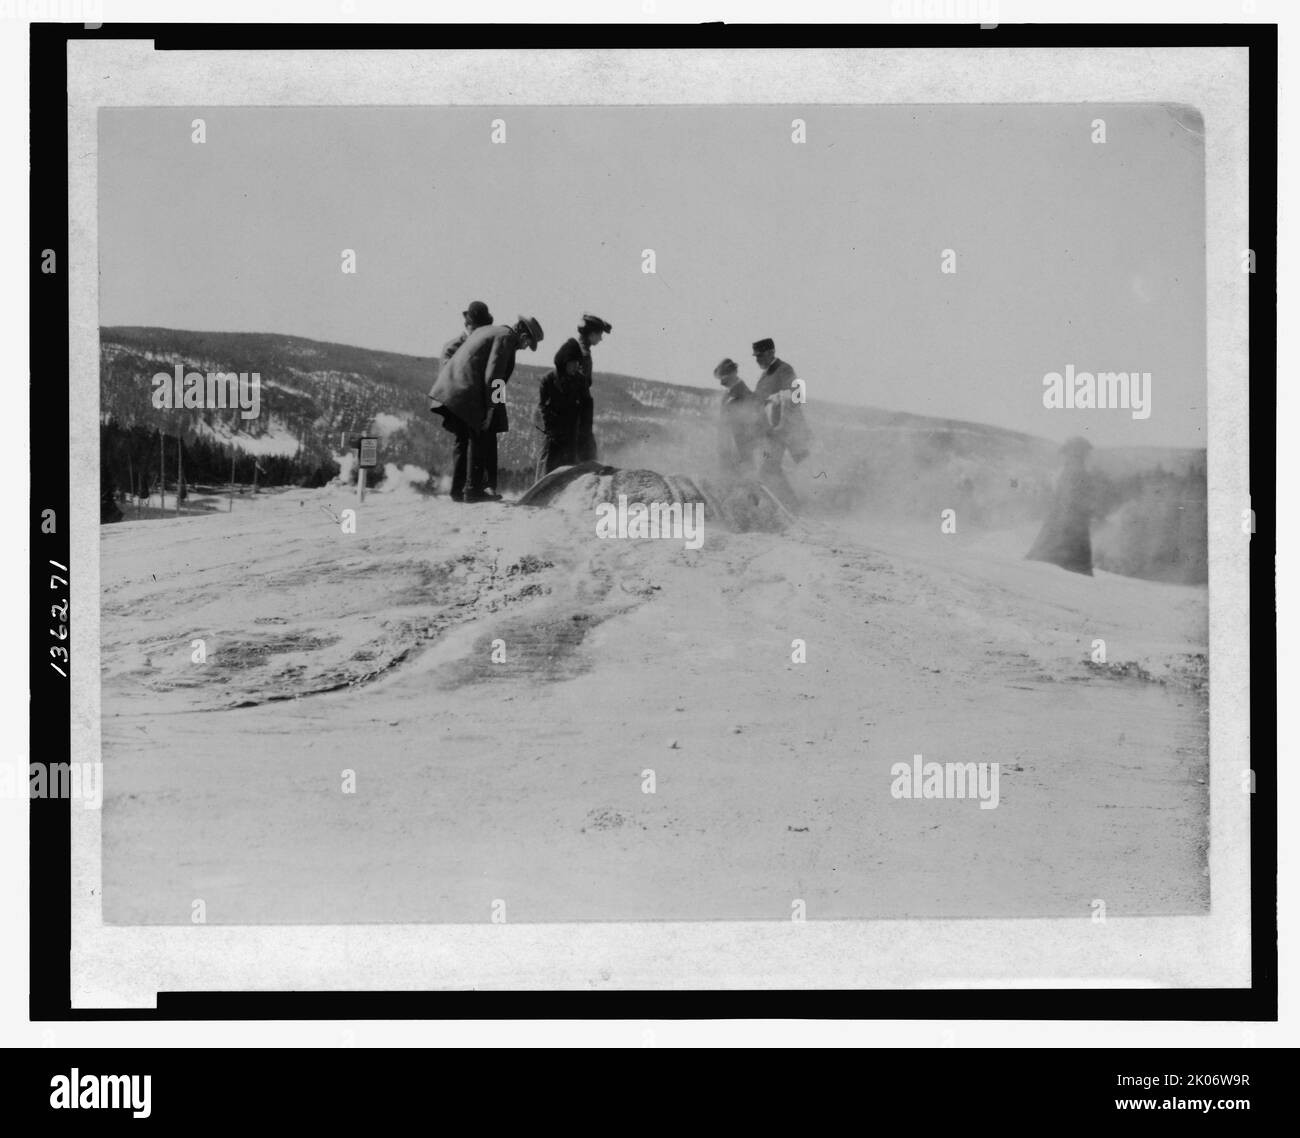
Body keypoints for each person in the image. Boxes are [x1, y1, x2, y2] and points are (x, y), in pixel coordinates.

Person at [429, 314, 544, 502]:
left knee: (466, 438)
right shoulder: (507, 338)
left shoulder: (492, 330)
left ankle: (460, 490)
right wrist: (492, 409)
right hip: (466, 391)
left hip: (454, 388)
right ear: (524, 337)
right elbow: (495, 377)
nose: (524, 348)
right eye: (527, 344)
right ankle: (473, 490)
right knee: (481, 432)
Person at [537, 313, 611, 476]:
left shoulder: (578, 349)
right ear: (591, 333)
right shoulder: (582, 354)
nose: (601, 338)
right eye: (599, 334)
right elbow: (578, 386)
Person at [749, 337, 806, 510]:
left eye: (760, 355)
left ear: (771, 352)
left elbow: (798, 395)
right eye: (756, 356)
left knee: (769, 470)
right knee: (768, 469)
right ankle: (787, 506)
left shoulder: (784, 369)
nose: (758, 360)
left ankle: (792, 508)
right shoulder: (765, 375)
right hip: (769, 431)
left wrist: (775, 400)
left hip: (784, 430)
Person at [714, 358, 762, 474]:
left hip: (740, 437)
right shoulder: (730, 392)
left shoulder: (742, 393)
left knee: (745, 465)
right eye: (720, 378)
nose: (721, 382)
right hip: (730, 437)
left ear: (733, 374)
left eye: (723, 377)